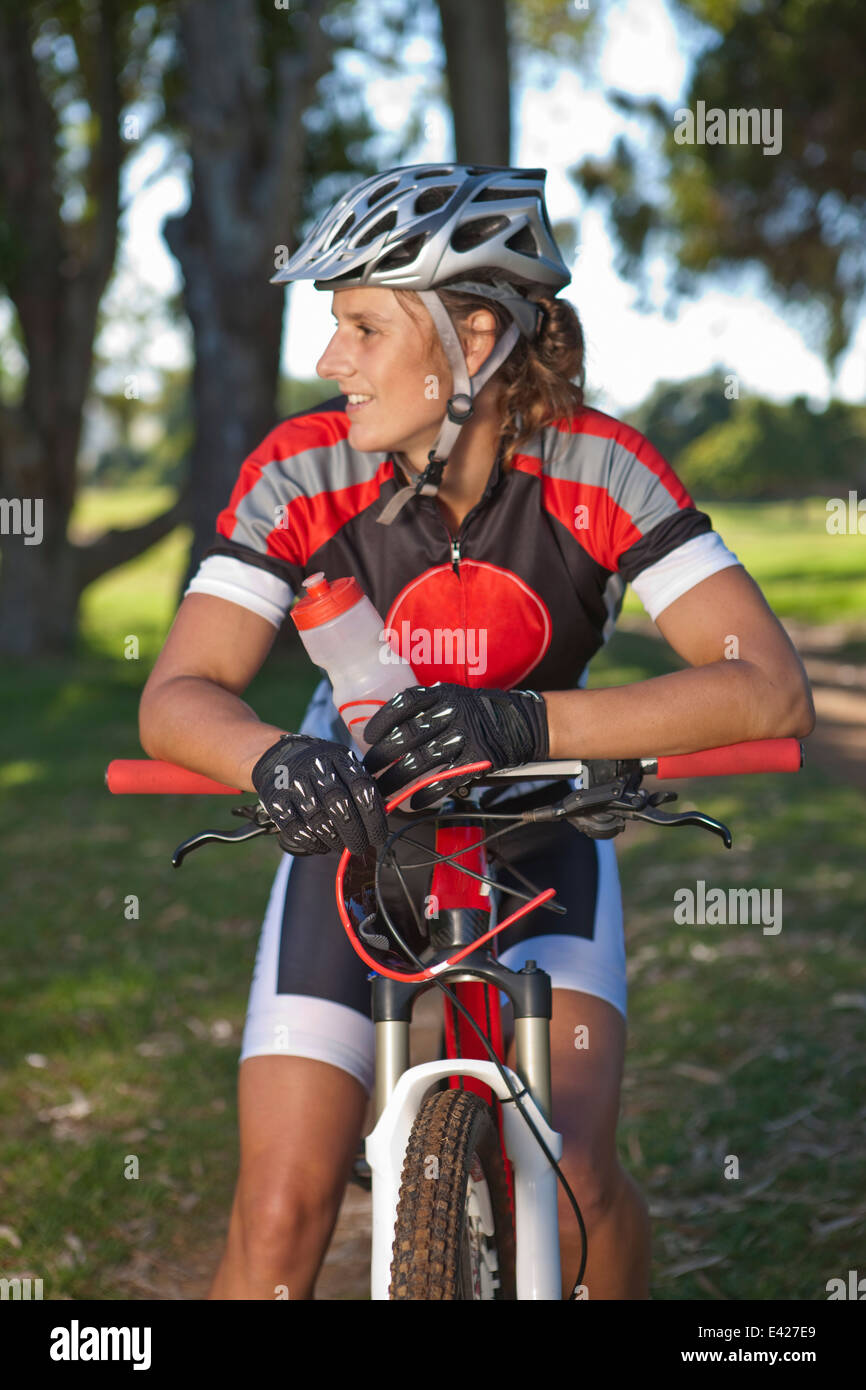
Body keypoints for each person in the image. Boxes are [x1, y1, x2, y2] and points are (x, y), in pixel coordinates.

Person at [138, 164, 815, 1300]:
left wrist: (520, 717)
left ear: (474, 336)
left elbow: (764, 687)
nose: (328, 362)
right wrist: (273, 757)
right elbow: (179, 690)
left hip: (543, 816)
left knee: (573, 1171)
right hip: (357, 824)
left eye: (360, 326)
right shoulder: (301, 469)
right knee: (278, 1204)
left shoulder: (599, 464)